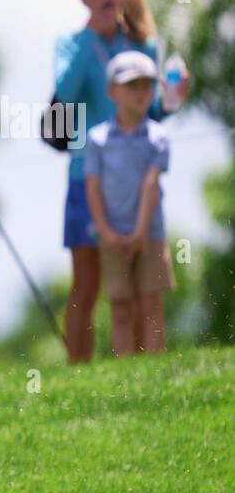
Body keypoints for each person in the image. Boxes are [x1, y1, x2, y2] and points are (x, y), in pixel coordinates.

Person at [53, 0, 187, 362]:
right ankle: (79, 373)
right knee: (87, 282)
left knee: (144, 288)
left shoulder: (143, 43)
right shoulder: (70, 43)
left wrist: (174, 98)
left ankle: (143, 371)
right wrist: (91, 36)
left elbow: (155, 111)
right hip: (87, 175)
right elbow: (64, 94)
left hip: (133, 177)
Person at [84, 52, 174, 356]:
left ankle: (155, 368)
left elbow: (151, 184)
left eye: (147, 85)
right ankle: (126, 373)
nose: (141, 92)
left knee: (151, 302)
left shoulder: (158, 138)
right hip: (111, 234)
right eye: (132, 85)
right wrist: (105, 231)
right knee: (121, 308)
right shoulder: (96, 139)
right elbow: (93, 187)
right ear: (112, 92)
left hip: (150, 231)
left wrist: (140, 231)